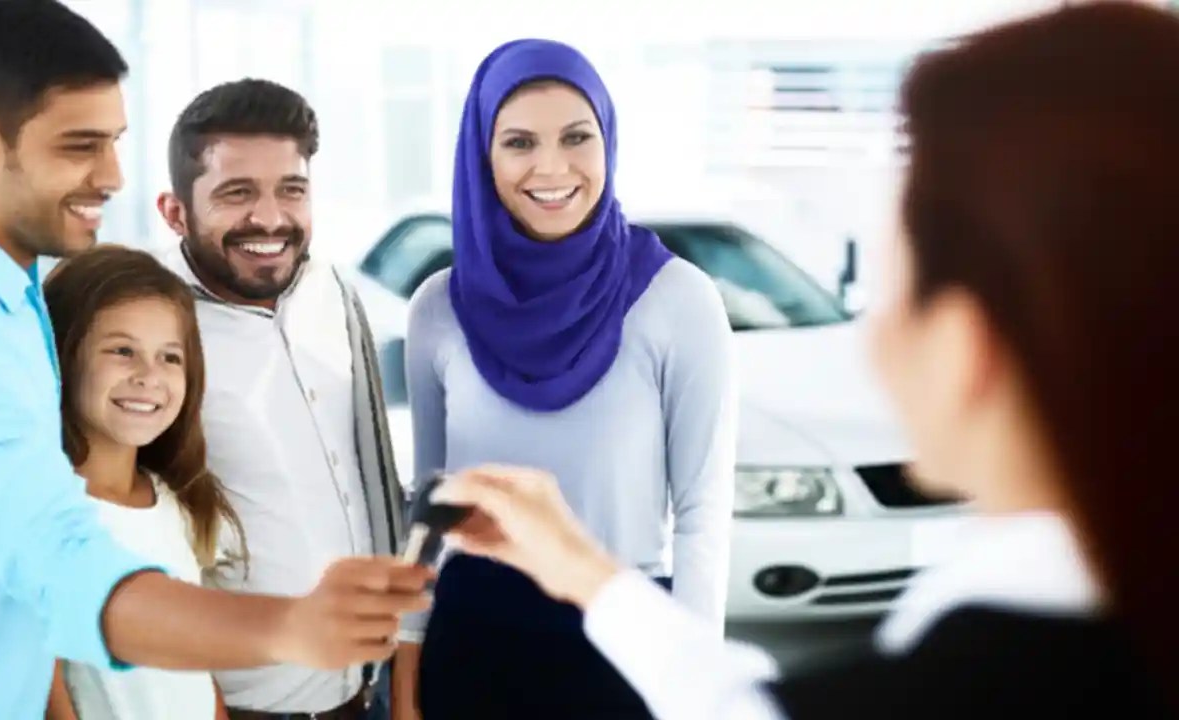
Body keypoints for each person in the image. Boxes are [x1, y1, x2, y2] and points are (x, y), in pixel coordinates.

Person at [431, 3, 1179, 718]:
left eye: (896, 289)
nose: (872, 339)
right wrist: (584, 572)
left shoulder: (965, 680)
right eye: (519, 140)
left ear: (965, 350)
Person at [0, 2, 430, 717]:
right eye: (80, 144)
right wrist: (286, 626)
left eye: (115, 140)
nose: (113, 175)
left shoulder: (5, 285)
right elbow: (58, 560)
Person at [400, 39, 735, 719]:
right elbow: (427, 506)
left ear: (608, 143)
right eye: (519, 142)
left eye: (577, 137)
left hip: (622, 635)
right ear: (482, 157)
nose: (551, 167)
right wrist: (405, 669)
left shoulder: (678, 299)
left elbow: (703, 514)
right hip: (471, 642)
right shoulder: (438, 307)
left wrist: (695, 687)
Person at [154, 78, 410, 720]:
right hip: (241, 706)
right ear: (175, 211)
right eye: (236, 194)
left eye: (290, 190)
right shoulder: (150, 328)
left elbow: (373, 475)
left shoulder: (332, 290)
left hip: (365, 693)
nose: (269, 219)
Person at [41, 245, 245, 719]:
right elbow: (45, 688)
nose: (149, 376)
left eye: (170, 357)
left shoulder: (175, 503)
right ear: (64, 355)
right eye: (122, 351)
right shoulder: (46, 514)